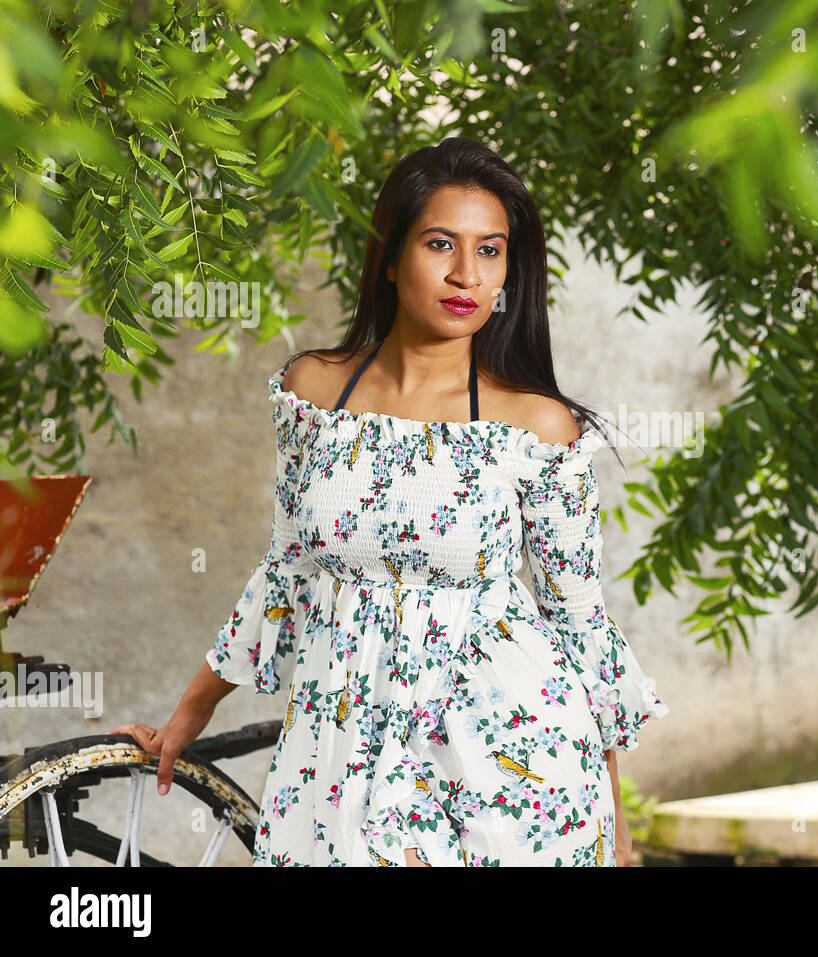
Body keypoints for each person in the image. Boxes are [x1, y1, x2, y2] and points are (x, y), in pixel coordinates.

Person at [113, 137, 668, 866]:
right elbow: (284, 569)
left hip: (505, 758)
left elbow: (576, 621)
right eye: (441, 243)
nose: (467, 273)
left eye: (492, 250)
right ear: (392, 254)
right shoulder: (315, 393)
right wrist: (191, 709)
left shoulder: (535, 423)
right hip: (337, 741)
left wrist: (615, 827)